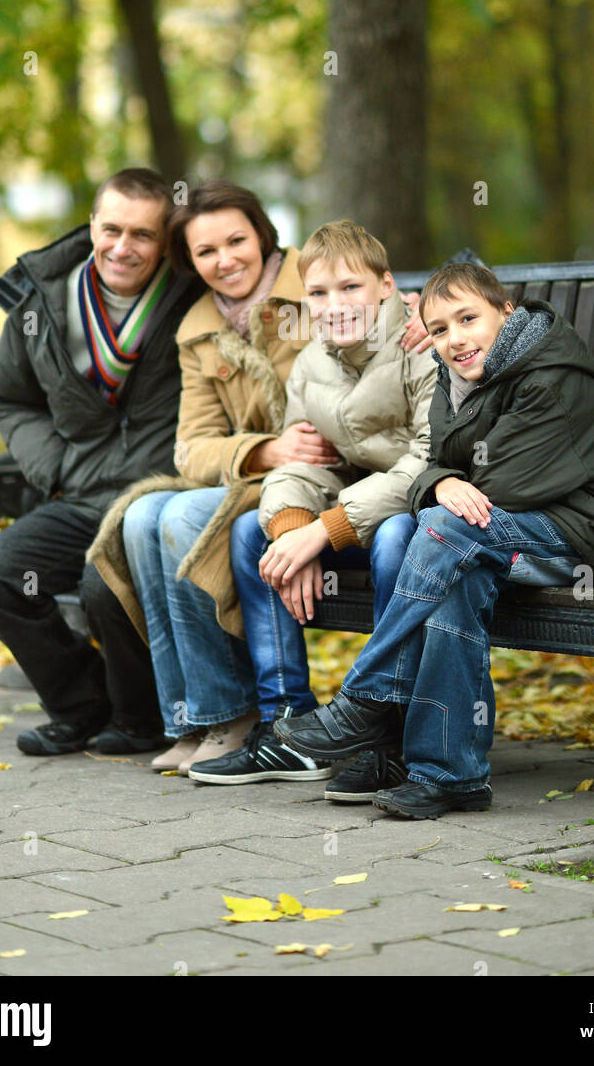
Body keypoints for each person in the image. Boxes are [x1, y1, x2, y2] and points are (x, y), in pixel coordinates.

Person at [273, 260, 594, 818]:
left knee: (446, 528)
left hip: (583, 538)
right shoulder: (458, 377)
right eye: (440, 329)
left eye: (468, 319)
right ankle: (451, 776)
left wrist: (444, 484)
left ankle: (365, 697)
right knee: (455, 577)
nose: (455, 340)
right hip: (495, 536)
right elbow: (438, 467)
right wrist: (440, 480)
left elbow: (499, 488)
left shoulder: (551, 378)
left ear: (506, 313)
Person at [89, 190, 432, 777]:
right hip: (287, 476)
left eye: (236, 241)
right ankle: (238, 719)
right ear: (190, 260)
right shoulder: (202, 328)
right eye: (206, 250)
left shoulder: (320, 286)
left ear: (264, 237)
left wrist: (428, 310)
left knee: (176, 519)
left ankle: (357, 727)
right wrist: (270, 459)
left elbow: (436, 321)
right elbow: (192, 447)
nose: (224, 259)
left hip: (379, 494)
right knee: (155, 518)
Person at [187, 219, 436, 798]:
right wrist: (294, 529)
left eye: (350, 287)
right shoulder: (312, 364)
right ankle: (287, 728)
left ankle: (388, 735)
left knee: (399, 532)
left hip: (426, 515)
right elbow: (304, 465)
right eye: (318, 293)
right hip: (358, 515)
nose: (334, 305)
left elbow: (430, 461)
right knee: (253, 529)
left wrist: (328, 530)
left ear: (385, 286)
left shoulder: (422, 346)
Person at [0, 168, 203, 756]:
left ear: (165, 239)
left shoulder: (193, 295)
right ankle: (82, 705)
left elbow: (273, 283)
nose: (124, 247)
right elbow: (9, 396)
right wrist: (54, 468)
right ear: (92, 224)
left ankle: (140, 718)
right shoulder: (39, 301)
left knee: (105, 583)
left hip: (157, 496)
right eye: (112, 229)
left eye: (143, 235)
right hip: (77, 495)